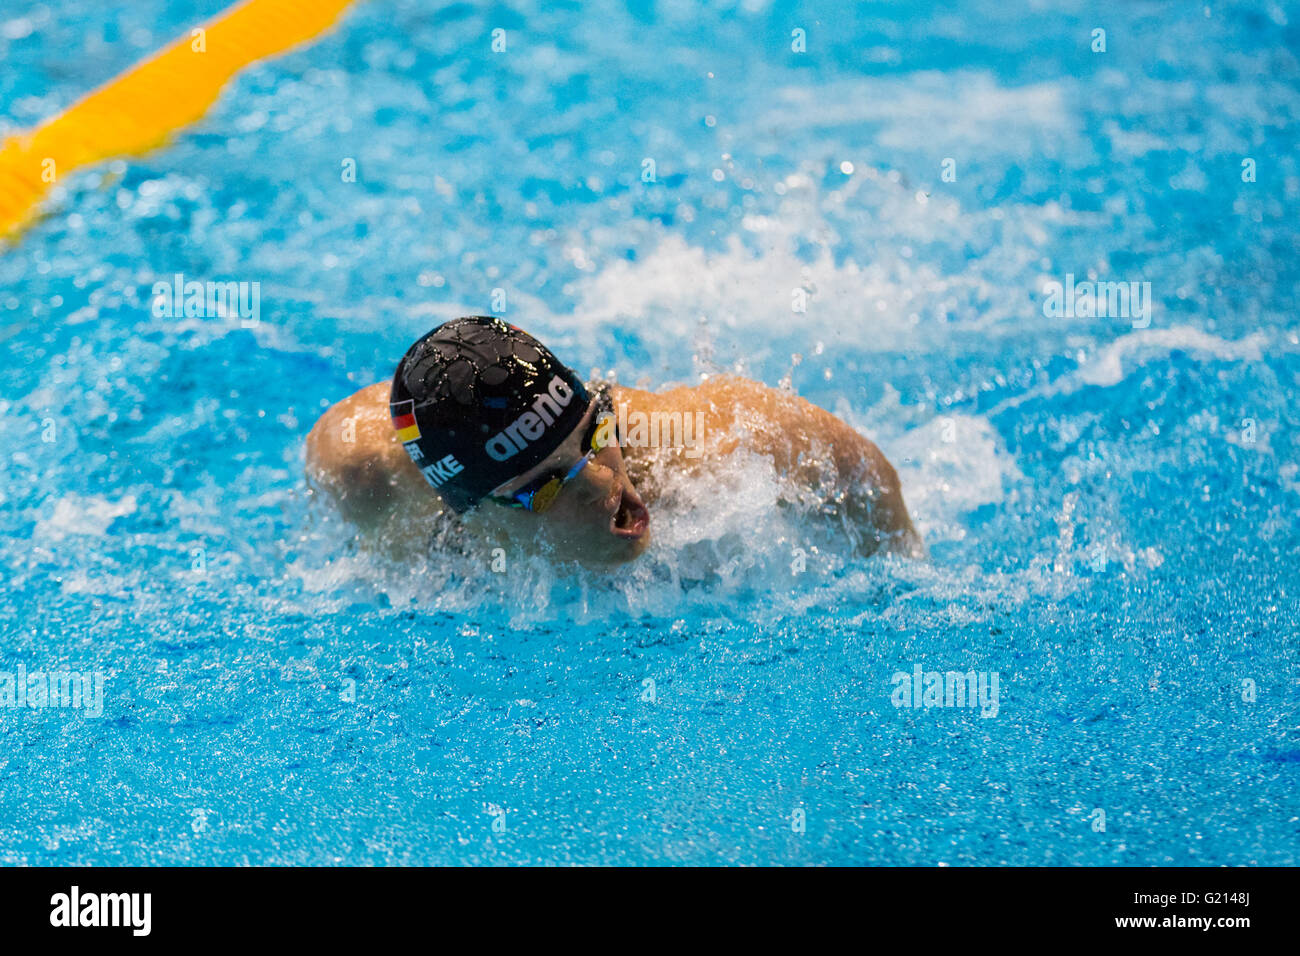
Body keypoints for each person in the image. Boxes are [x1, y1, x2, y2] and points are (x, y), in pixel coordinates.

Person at [306, 316, 922, 565]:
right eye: (544, 487)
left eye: (595, 437)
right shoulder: (372, 483)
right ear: (467, 513)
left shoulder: (689, 446)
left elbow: (862, 471)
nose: (609, 488)